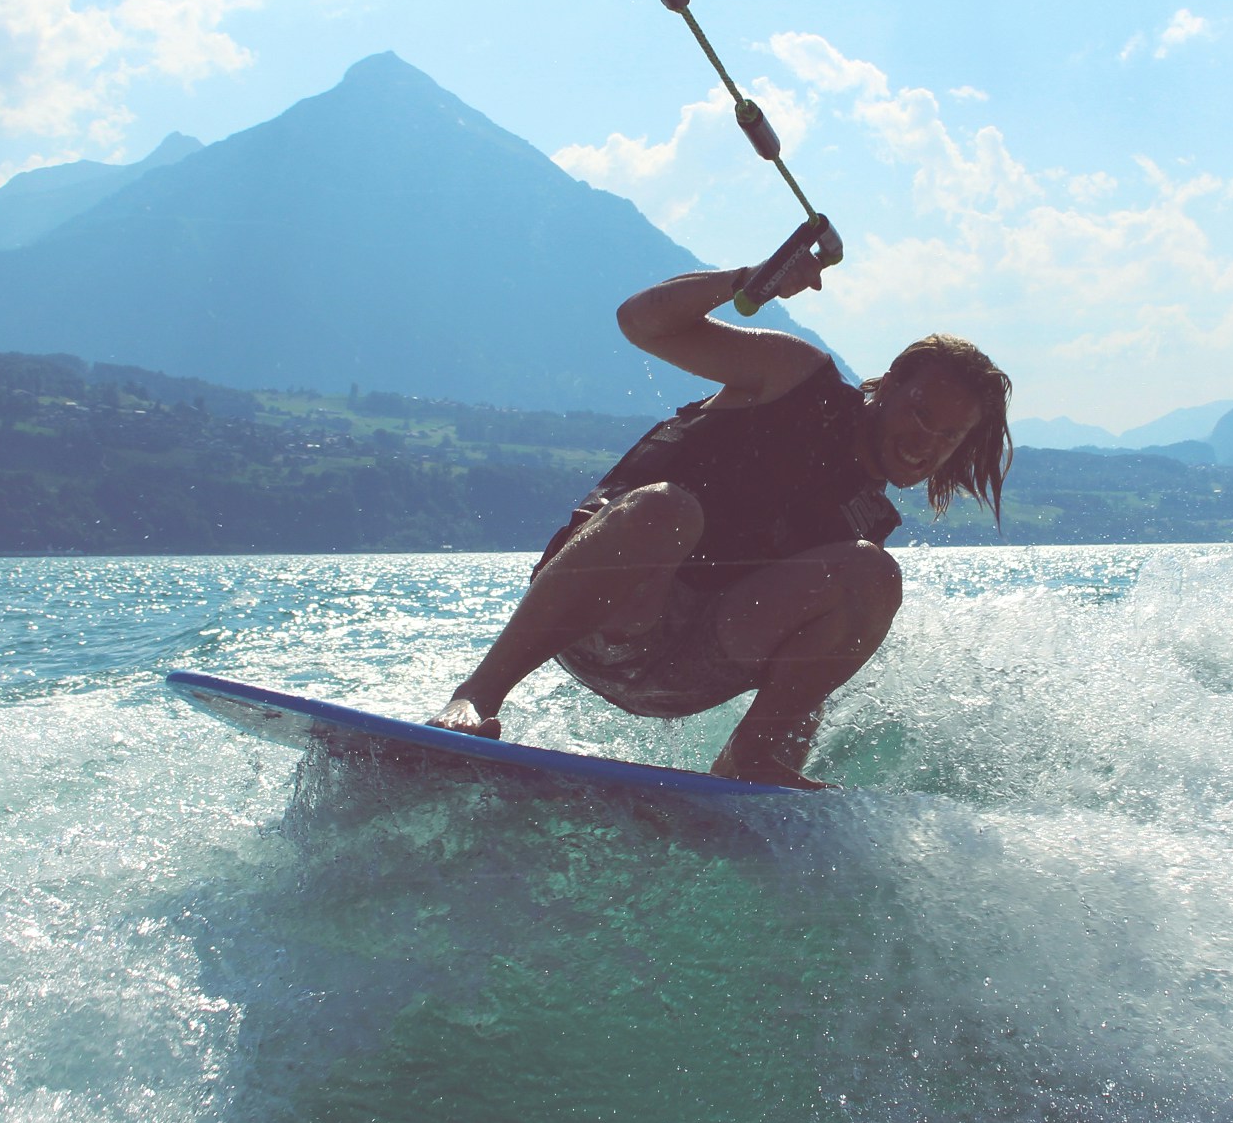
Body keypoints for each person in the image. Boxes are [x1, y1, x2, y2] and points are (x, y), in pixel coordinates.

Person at [429, 259, 1011, 787]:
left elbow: (809, 667)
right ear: (886, 386)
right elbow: (639, 322)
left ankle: (750, 762)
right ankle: (476, 698)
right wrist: (745, 281)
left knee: (872, 575)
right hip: (604, 613)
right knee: (666, 509)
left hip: (688, 667)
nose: (924, 443)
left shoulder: (866, 515)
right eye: (919, 414)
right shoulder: (794, 375)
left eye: (947, 436)